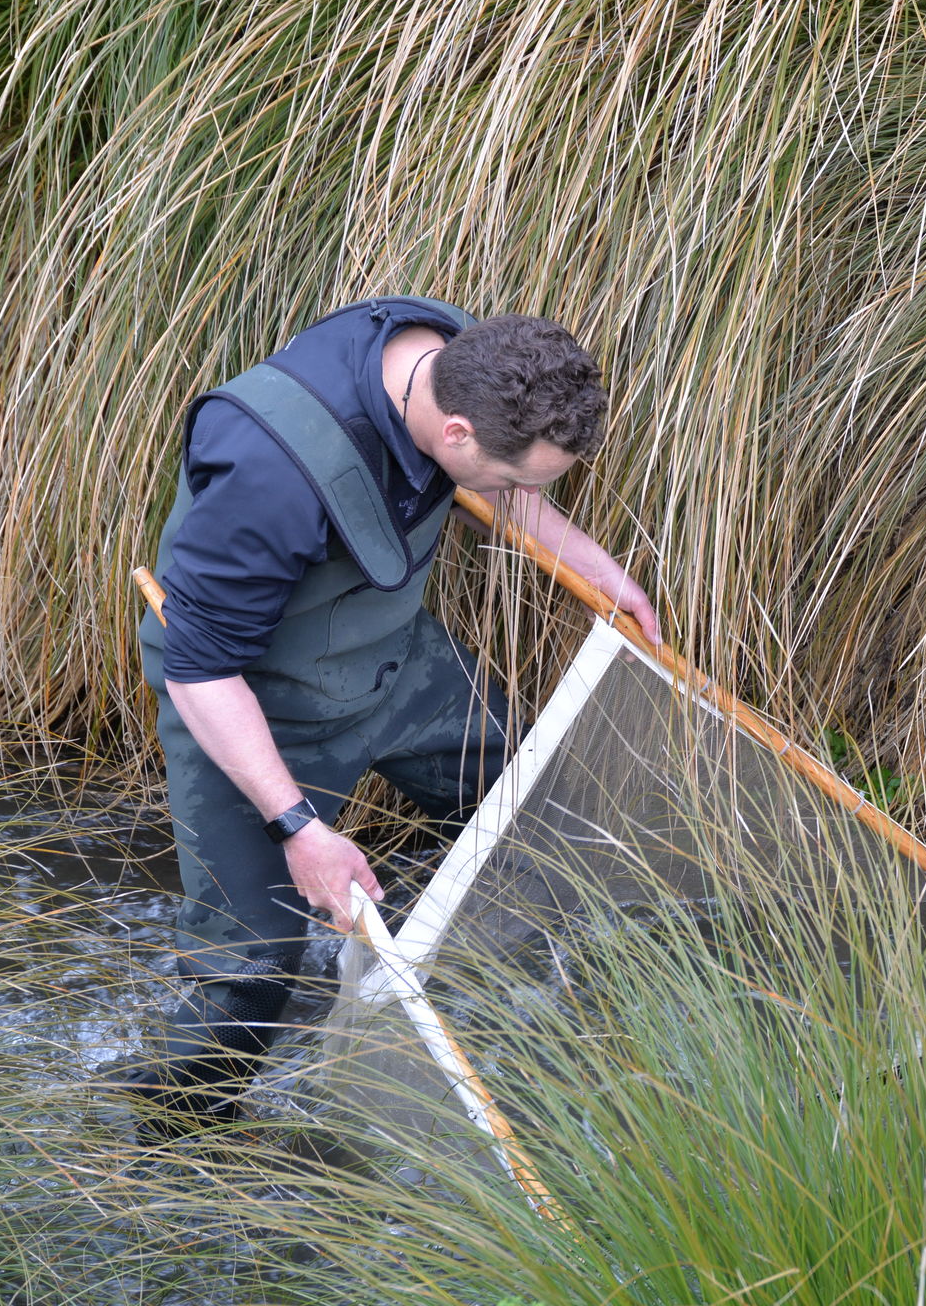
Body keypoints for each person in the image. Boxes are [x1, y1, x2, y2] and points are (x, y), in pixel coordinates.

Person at [123, 297, 657, 1132]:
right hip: (254, 707)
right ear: (456, 434)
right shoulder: (267, 470)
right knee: (253, 968)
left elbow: (505, 482)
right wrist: (299, 829)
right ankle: (170, 1142)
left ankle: (486, 1011)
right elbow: (201, 670)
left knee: (536, 810)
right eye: (515, 480)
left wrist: (601, 572)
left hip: (395, 660)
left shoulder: (458, 361)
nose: (519, 497)